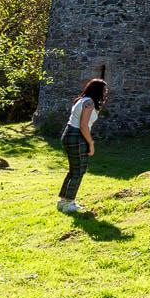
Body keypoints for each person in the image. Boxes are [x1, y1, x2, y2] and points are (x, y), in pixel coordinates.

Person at [57, 78, 107, 214]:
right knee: (79, 170)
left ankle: (63, 201)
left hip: (69, 134)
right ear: (98, 91)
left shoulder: (81, 100)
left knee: (73, 170)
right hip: (77, 136)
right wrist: (91, 143)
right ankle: (69, 203)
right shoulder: (89, 103)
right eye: (104, 90)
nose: (105, 93)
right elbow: (83, 125)